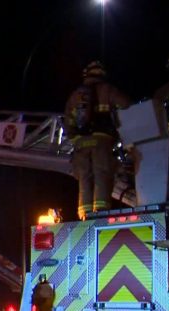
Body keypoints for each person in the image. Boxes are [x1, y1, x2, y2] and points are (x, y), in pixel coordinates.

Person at [64, 61, 130, 220]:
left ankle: (85, 213)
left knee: (85, 177)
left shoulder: (76, 95)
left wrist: (76, 140)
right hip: (102, 140)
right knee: (102, 174)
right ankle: (100, 212)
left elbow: (68, 121)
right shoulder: (108, 90)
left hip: (81, 143)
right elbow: (127, 106)